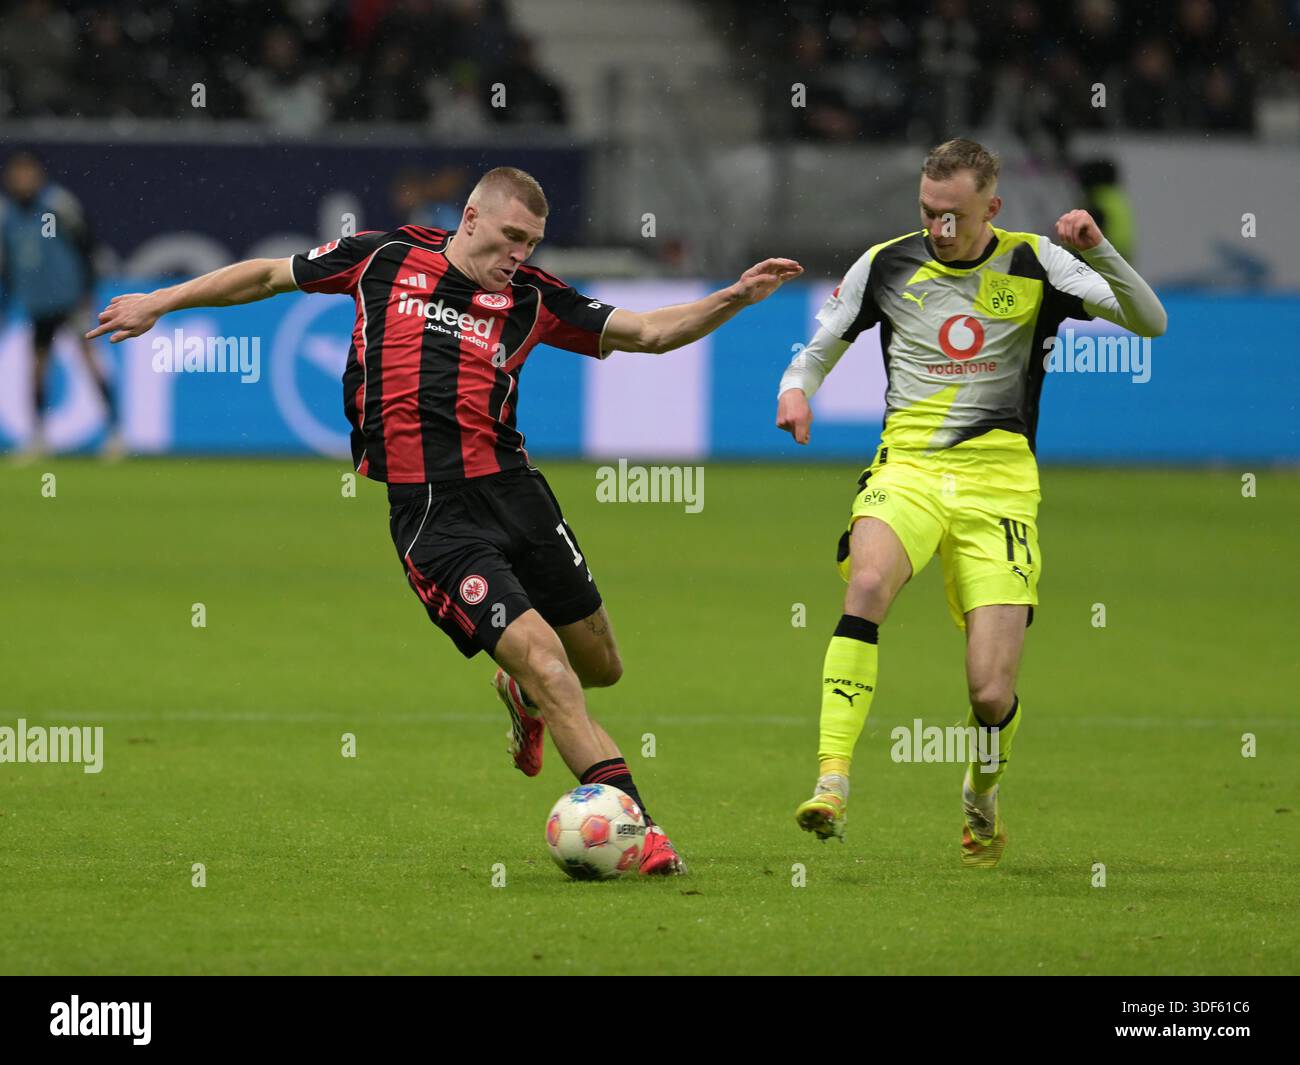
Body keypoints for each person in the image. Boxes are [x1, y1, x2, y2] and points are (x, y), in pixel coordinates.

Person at [89, 166, 803, 876]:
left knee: (600, 667)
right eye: (511, 236)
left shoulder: (533, 296)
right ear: (470, 218)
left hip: (519, 496)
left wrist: (735, 297)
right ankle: (640, 831)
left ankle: (519, 696)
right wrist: (162, 300)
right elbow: (265, 277)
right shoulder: (384, 257)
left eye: (532, 241)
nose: (519, 253)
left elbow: (647, 332)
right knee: (554, 669)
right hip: (436, 518)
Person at [776, 138, 1166, 867]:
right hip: (909, 469)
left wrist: (1102, 251)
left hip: (1001, 486)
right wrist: (795, 389)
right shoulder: (887, 262)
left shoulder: (1036, 262)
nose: (939, 228)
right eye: (928, 211)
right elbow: (821, 343)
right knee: (866, 582)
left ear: (993, 207)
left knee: (990, 693)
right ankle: (831, 780)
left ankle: (981, 797)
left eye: (953, 214)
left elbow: (1151, 322)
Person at [1, 150, 119, 457]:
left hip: (70, 297)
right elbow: (7, 263)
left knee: (88, 359)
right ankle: (39, 436)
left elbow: (87, 246)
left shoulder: (57, 205)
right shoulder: (6, 214)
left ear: (39, 175)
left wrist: (88, 289)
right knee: (37, 369)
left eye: (27, 173)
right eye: (17, 174)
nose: (22, 180)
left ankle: (115, 431)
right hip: (38, 302)